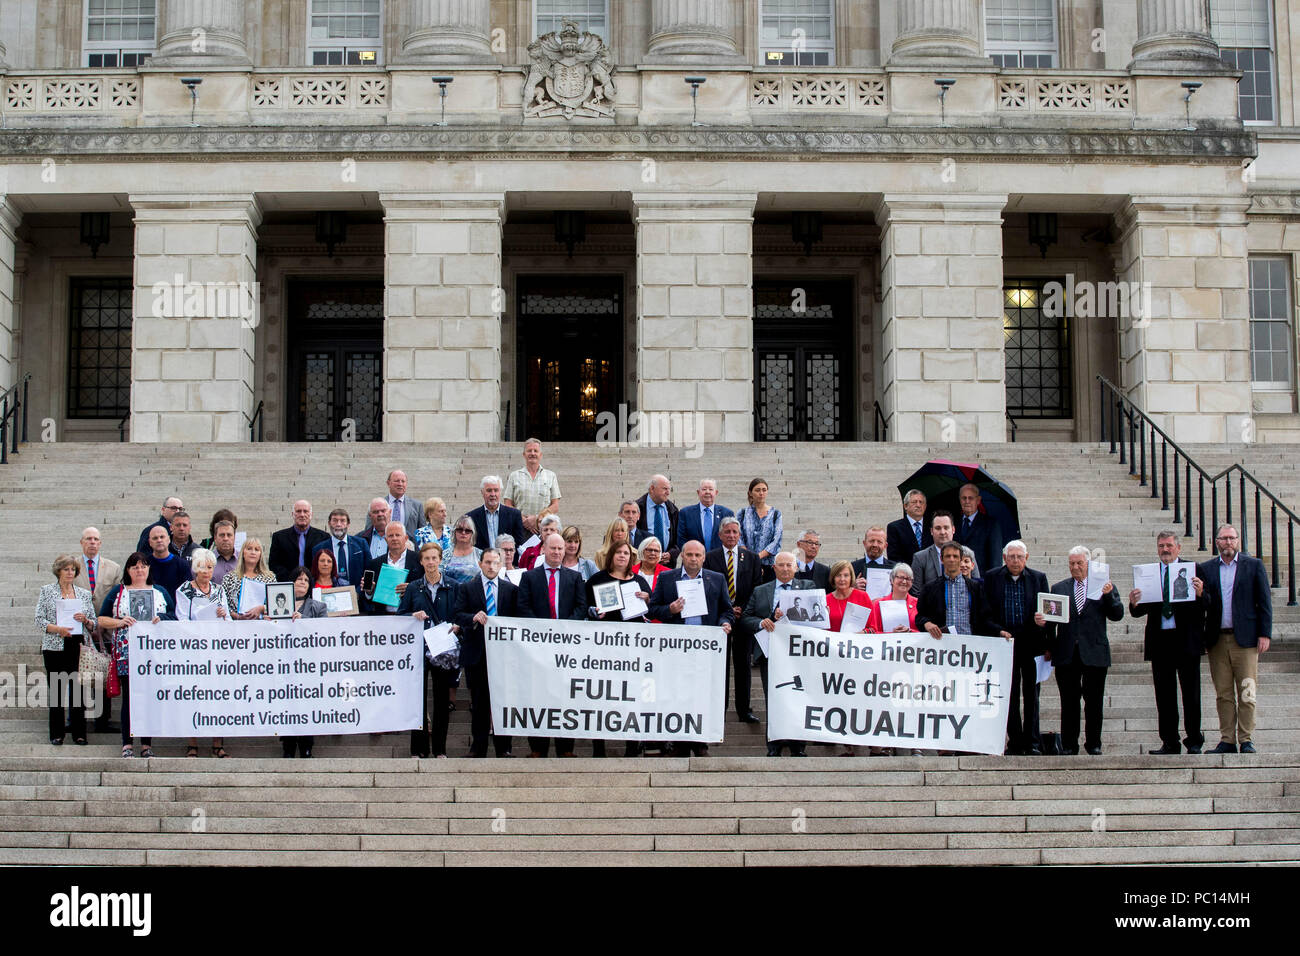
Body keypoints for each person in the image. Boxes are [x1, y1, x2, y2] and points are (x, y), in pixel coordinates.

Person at [647, 539, 733, 757]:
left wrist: (725, 622)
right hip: (676, 649)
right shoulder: (667, 578)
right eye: (689, 555)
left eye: (698, 555)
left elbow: (727, 609)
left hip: (705, 651)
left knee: (702, 697)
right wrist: (670, 609)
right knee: (676, 695)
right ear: (682, 556)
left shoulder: (717, 579)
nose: (693, 559)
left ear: (704, 557)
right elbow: (653, 609)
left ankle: (700, 742)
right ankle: (679, 742)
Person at [1130, 529, 1208, 755]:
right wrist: (1134, 602)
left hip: (1186, 642)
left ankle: (1194, 739)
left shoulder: (1193, 570)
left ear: (1178, 548)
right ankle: (1170, 741)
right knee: (1164, 697)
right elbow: (1139, 612)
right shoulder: (1150, 573)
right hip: (1161, 642)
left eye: (1169, 546)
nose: (1165, 550)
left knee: (1191, 694)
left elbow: (1209, 604)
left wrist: (1201, 592)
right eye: (1161, 546)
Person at [1198, 524, 1272, 755]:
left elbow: (1264, 602)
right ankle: (1227, 739)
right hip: (1218, 639)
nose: (1228, 542)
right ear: (1216, 542)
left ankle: (1246, 738)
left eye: (1232, 538)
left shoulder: (1253, 565)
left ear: (1238, 541)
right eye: (1223, 538)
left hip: (1246, 640)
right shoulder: (1207, 568)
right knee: (1223, 693)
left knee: (1247, 692)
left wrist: (1264, 633)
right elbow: (1203, 605)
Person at [1047, 546, 1123, 756]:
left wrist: (1109, 596)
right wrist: (1049, 643)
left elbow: (1117, 614)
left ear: (1088, 564)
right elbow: (1051, 623)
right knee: (1069, 702)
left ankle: (1094, 743)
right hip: (1067, 653)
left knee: (1094, 703)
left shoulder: (1103, 586)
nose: (1075, 567)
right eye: (1072, 563)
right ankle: (1069, 745)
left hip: (1094, 653)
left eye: (1079, 563)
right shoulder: (1059, 588)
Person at [518, 533, 588, 757]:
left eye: (561, 548)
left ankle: (565, 749)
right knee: (537, 697)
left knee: (565, 697)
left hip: (566, 649)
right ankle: (538, 749)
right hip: (538, 649)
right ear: (544, 550)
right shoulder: (529, 577)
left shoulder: (574, 577)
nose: (557, 552)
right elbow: (523, 607)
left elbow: (581, 607)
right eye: (553, 548)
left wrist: (563, 630)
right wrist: (543, 631)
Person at [97, 552, 173, 758]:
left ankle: (146, 744)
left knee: (149, 698)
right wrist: (120, 622)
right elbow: (102, 619)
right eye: (135, 567)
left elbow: (175, 617)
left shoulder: (159, 592)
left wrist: (162, 617)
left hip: (154, 653)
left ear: (149, 569)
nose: (139, 570)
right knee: (130, 698)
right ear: (128, 571)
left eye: (143, 566)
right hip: (126, 652)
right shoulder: (118, 591)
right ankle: (127, 742)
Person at [740, 552, 812, 756]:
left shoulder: (808, 588)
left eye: (789, 565)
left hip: (799, 654)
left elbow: (818, 616)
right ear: (774, 567)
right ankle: (774, 744)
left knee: (798, 698)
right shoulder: (761, 590)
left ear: (796, 567)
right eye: (781, 565)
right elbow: (746, 618)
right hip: (770, 653)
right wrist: (763, 622)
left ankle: (798, 746)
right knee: (774, 699)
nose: (785, 569)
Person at [586, 540, 652, 757]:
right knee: (601, 699)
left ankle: (632, 748)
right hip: (603, 650)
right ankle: (598, 749)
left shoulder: (640, 581)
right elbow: (585, 607)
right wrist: (594, 612)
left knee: (631, 699)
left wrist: (648, 600)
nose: (622, 556)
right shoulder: (598, 579)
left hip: (632, 651)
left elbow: (651, 611)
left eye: (626, 553)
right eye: (619, 552)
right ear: (611, 555)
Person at [983, 541, 1050, 756]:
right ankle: (1015, 741)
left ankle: (1032, 742)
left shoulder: (1038, 578)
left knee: (1032, 695)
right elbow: (985, 612)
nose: (1015, 560)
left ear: (1026, 558)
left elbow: (1049, 611)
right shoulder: (992, 577)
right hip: (1005, 642)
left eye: (1019, 556)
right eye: (1011, 556)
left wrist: (1045, 623)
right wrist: (998, 630)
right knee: (1009, 695)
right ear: (1004, 558)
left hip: (1031, 643)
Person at [454, 548, 517, 758]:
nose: (491, 567)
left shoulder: (510, 590)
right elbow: (458, 614)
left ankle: (504, 748)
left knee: (503, 702)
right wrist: (473, 617)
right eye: (488, 562)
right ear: (480, 563)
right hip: (477, 654)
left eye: (495, 563)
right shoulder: (467, 588)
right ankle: (478, 747)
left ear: (501, 565)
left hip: (504, 656)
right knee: (480, 703)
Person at [397, 542, 459, 758]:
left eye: (434, 558)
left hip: (443, 651)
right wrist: (412, 616)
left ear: (440, 560)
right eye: (427, 559)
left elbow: (459, 614)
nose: (431, 562)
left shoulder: (453, 586)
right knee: (418, 701)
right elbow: (400, 615)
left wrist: (457, 625)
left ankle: (440, 750)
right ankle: (418, 749)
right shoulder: (414, 587)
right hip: (418, 650)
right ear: (421, 561)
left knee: (442, 702)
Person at [705, 517, 764, 723]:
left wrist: (742, 609)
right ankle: (719, 708)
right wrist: (727, 609)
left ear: (740, 535)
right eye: (727, 532)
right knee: (719, 666)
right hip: (719, 619)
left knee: (743, 666)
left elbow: (757, 588)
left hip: (744, 619)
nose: (731, 535)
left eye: (735, 532)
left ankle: (744, 709)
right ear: (720, 535)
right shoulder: (710, 557)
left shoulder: (752, 558)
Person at [35, 554, 98, 746]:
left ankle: (79, 733)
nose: (70, 573)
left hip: (77, 645)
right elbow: (39, 620)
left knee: (78, 691)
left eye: (73, 569)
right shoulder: (47, 591)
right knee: (57, 690)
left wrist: (85, 620)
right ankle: (57, 733)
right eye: (66, 569)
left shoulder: (84, 594)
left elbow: (94, 623)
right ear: (58, 571)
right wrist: (57, 629)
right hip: (55, 646)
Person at [74, 527, 121, 732]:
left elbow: (116, 597)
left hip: (105, 629)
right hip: (79, 627)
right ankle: (76, 721)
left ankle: (102, 720)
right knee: (78, 676)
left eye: (96, 539)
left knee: (103, 673)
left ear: (100, 543)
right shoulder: (72, 566)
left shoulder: (113, 568)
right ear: (82, 542)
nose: (92, 542)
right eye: (88, 539)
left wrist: (103, 622)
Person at [281, 566, 328, 758]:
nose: (302, 582)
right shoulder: (279, 603)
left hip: (308, 666)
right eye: (298, 579)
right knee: (285, 705)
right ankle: (287, 745)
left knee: (307, 705)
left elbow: (324, 632)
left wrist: (305, 620)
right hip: (284, 664)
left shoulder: (318, 606)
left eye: (306, 580)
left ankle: (307, 744)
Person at [915, 542, 1001, 642]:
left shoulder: (976, 588)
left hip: (969, 645)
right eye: (948, 556)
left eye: (955, 556)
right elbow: (919, 617)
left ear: (960, 560)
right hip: (940, 646)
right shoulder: (929, 588)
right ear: (941, 559)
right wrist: (927, 623)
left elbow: (985, 618)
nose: (951, 559)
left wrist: (999, 631)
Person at [503, 437, 562, 536]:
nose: (532, 453)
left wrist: (537, 518)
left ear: (540, 455)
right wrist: (522, 519)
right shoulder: (514, 475)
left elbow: (555, 506)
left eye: (536, 451)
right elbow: (507, 504)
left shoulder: (550, 476)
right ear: (524, 454)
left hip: (544, 528)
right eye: (529, 451)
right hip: (519, 527)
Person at [911, 511, 977, 595]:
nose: (942, 532)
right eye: (938, 528)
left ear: (953, 529)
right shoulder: (920, 558)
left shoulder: (968, 554)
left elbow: (976, 586)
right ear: (931, 531)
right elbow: (916, 593)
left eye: (946, 527)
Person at [363, 523, 422, 614]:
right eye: (390, 536)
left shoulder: (419, 560)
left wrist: (411, 589)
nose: (394, 538)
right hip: (383, 618)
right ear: (386, 540)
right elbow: (368, 599)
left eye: (398, 535)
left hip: (411, 616)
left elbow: (427, 589)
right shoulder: (375, 564)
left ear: (406, 538)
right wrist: (369, 592)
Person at [269, 500, 329, 582]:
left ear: (311, 514)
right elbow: (274, 564)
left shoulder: (323, 537)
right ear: (293, 514)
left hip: (315, 583)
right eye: (298, 511)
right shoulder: (279, 537)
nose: (302, 514)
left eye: (305, 511)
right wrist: (292, 578)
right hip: (287, 582)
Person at [955, 483, 1004, 577]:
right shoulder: (953, 522)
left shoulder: (991, 524)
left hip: (981, 580)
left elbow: (995, 559)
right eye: (964, 498)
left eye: (971, 498)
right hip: (956, 579)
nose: (967, 501)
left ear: (978, 500)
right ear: (960, 500)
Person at [468, 475, 527, 553]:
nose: (493, 494)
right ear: (482, 492)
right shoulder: (472, 517)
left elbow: (519, 544)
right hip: (483, 562)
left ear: (500, 492)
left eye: (496, 490)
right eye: (489, 490)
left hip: (507, 562)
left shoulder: (514, 515)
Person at [737, 477, 782, 578]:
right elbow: (739, 538)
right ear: (750, 493)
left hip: (769, 565)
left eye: (764, 490)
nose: (761, 493)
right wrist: (750, 558)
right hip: (747, 565)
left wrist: (756, 558)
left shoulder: (776, 514)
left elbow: (776, 540)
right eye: (757, 490)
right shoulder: (742, 513)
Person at [221, 536, 275, 619]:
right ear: (243, 553)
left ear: (260, 555)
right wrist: (238, 617)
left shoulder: (269, 578)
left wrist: (262, 608)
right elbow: (223, 605)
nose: (253, 552)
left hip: (263, 626)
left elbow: (275, 604)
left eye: (256, 549)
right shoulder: (229, 578)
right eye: (249, 549)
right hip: (236, 627)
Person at [313, 507, 367, 588]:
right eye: (334, 520)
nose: (338, 524)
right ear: (329, 523)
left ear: (348, 524)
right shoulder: (319, 548)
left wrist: (358, 593)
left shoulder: (361, 544)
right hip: (330, 594)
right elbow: (315, 574)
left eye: (342, 521)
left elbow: (368, 570)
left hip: (357, 595)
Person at [676, 479, 734, 554]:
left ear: (716, 492)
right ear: (698, 492)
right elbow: (681, 539)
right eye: (704, 489)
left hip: (719, 560)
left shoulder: (727, 513)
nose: (707, 492)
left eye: (711, 489)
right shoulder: (685, 513)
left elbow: (730, 538)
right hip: (694, 559)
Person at [174, 550, 229, 622]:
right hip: (193, 632)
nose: (205, 571)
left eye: (209, 567)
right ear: (195, 568)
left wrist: (224, 616)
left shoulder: (219, 589)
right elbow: (183, 619)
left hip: (217, 631)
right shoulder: (184, 590)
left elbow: (228, 618)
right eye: (202, 567)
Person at [636, 474, 679, 564]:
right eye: (664, 489)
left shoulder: (673, 510)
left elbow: (678, 538)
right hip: (643, 563)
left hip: (667, 564)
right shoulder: (637, 508)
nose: (668, 492)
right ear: (652, 489)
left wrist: (672, 554)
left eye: (669, 489)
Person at [365, 469, 420, 539]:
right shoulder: (377, 505)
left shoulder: (417, 505)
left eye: (403, 481)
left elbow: (421, 531)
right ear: (388, 483)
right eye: (397, 481)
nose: (400, 484)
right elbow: (368, 529)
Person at [867, 564, 919, 633]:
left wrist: (910, 632)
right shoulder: (878, 605)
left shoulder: (919, 604)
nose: (904, 581)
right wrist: (891, 634)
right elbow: (873, 632)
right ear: (891, 580)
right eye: (901, 577)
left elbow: (924, 632)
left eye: (908, 579)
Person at [887, 489, 931, 565]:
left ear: (925, 506)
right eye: (914, 502)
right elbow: (893, 557)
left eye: (921, 502)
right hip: (906, 573)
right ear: (905, 506)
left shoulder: (932, 526)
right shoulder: (894, 528)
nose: (918, 505)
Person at [826, 560, 872, 632]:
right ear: (833, 578)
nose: (842, 579)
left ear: (851, 577)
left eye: (846, 575)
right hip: (834, 642)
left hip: (858, 641)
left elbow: (873, 627)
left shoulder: (863, 596)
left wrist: (863, 632)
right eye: (838, 575)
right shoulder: (826, 600)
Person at [144, 524, 190, 596]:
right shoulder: (144, 565)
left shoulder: (182, 565)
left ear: (169, 539)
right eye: (155, 538)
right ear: (150, 542)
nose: (159, 540)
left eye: (162, 537)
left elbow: (188, 593)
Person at [441, 515, 484, 589]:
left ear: (472, 533)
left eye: (467, 531)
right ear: (454, 532)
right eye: (460, 530)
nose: (463, 533)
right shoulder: (445, 554)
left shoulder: (480, 554)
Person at [209, 519, 239, 583]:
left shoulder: (243, 559)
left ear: (234, 537)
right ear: (215, 538)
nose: (225, 539)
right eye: (222, 535)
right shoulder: (206, 560)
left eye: (229, 535)